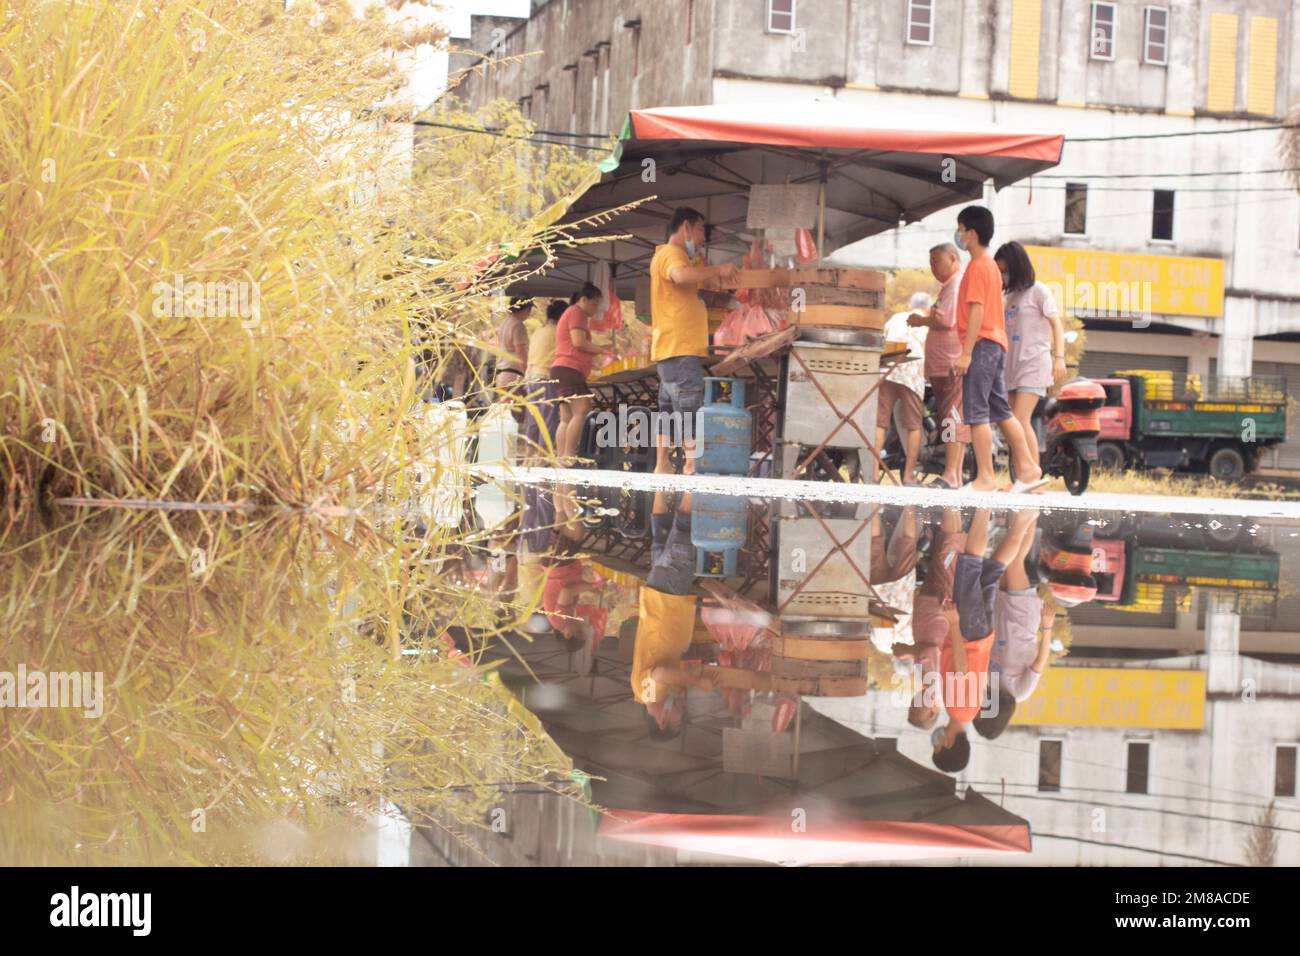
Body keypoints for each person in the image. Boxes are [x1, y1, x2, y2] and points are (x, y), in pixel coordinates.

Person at [931, 507, 1037, 772]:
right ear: (946, 745)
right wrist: (954, 625)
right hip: (968, 634)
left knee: (992, 570)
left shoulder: (967, 713)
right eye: (936, 746)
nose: (934, 742)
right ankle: (984, 505)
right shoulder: (959, 710)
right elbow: (962, 668)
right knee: (971, 565)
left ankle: (1024, 518)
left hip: (980, 638)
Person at [951, 206, 1044, 492]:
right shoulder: (990, 266)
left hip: (981, 345)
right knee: (1002, 411)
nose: (958, 234)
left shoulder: (978, 267)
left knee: (977, 413)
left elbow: (976, 310)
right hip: (995, 344)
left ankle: (986, 478)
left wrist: (966, 352)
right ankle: (1029, 470)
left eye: (961, 229)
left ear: (971, 233)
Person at [649, 207, 739, 473]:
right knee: (689, 407)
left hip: (670, 348)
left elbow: (694, 280)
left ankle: (662, 463)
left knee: (667, 409)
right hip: (680, 347)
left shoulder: (673, 257)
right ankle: (691, 464)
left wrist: (709, 271)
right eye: (701, 230)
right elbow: (680, 275)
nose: (702, 237)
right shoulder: (671, 254)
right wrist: (718, 268)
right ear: (686, 227)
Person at [631, 490, 719, 739]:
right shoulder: (641, 693)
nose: (681, 712)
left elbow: (660, 673)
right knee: (662, 532)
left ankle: (692, 476)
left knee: (684, 529)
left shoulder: (649, 694)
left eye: (679, 720)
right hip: (659, 597)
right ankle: (664, 474)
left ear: (663, 721)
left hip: (667, 601)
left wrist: (695, 682)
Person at [993, 241, 1069, 473]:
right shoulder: (1011, 297)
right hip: (1011, 367)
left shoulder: (1039, 291)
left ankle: (1032, 475)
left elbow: (1056, 324)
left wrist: (1059, 357)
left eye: (1004, 271)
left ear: (1015, 267)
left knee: (1020, 420)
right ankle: (1022, 478)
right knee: (1011, 425)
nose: (1002, 276)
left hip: (1033, 363)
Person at [893, 506, 966, 730]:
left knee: (942, 554)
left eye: (911, 707)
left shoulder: (928, 686)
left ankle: (952, 503)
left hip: (929, 607)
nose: (914, 703)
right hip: (939, 607)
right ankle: (953, 501)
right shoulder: (937, 690)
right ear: (932, 711)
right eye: (918, 709)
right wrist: (908, 651)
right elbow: (931, 652)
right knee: (947, 553)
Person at [908, 243, 969, 489]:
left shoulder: (955, 284)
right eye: (931, 261)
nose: (933, 267)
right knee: (950, 417)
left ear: (952, 259)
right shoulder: (949, 286)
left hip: (950, 363)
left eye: (937, 260)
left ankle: (951, 474)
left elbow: (946, 320)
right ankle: (952, 473)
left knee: (953, 417)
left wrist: (921, 319)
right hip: (942, 363)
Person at [878, 292, 930, 485]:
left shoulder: (896, 318)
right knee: (914, 425)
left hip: (889, 367)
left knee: (880, 422)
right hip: (912, 372)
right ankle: (909, 476)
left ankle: (873, 476)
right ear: (927, 307)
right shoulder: (927, 322)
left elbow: (883, 340)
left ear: (911, 305)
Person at [550, 283, 605, 463]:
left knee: (566, 417)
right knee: (582, 410)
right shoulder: (577, 313)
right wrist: (601, 349)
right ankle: (569, 455)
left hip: (562, 368)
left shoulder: (572, 313)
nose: (596, 308)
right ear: (584, 300)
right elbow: (578, 342)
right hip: (569, 368)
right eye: (595, 303)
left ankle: (561, 456)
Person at [523, 299, 565, 458]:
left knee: (534, 419)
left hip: (531, 376)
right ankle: (541, 457)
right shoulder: (558, 332)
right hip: (546, 376)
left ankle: (528, 457)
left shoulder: (539, 330)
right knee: (549, 418)